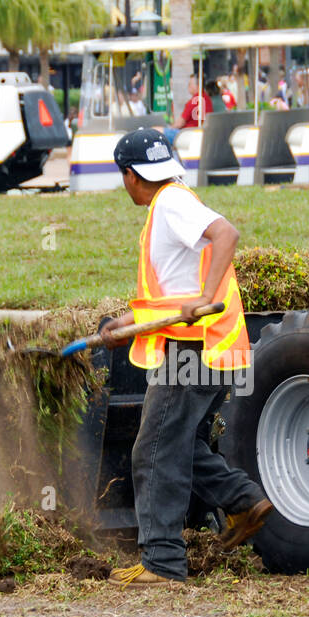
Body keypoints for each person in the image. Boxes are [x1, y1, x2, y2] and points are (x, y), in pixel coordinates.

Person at [96, 128, 273, 588]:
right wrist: (121, 324)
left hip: (194, 349)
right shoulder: (171, 204)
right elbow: (170, 294)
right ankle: (242, 500)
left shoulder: (171, 203)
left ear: (130, 175)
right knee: (178, 445)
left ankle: (161, 562)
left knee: (152, 449)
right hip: (211, 348)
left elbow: (226, 234)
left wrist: (206, 295)